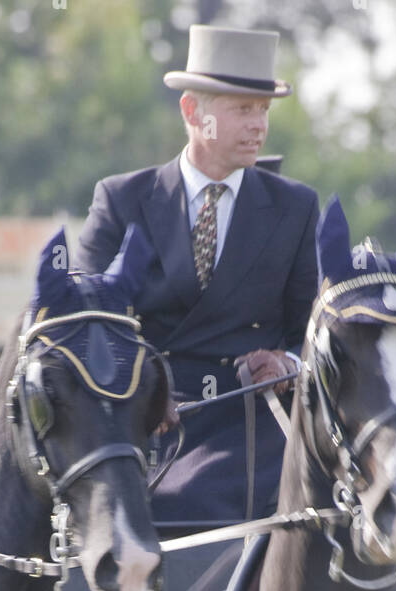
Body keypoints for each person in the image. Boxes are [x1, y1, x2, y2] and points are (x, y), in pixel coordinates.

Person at [74, 25, 319, 527]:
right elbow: (83, 321)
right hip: (146, 418)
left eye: (264, 110)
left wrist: (288, 363)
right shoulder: (121, 200)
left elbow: (310, 330)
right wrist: (143, 377)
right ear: (192, 112)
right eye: (242, 109)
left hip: (254, 425)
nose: (259, 126)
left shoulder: (295, 207)